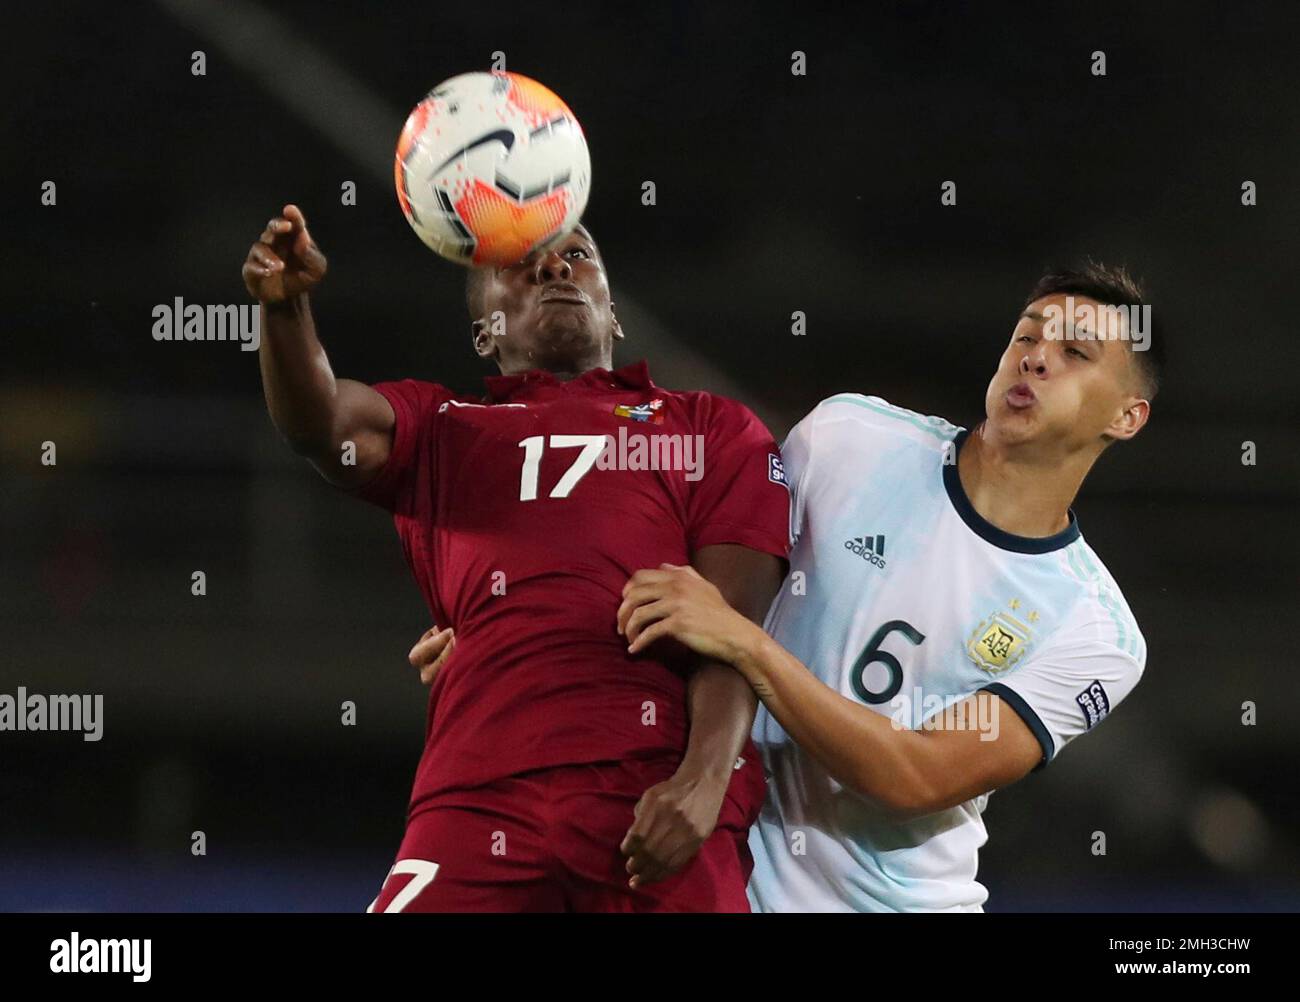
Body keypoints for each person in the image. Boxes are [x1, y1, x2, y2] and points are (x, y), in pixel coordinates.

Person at [241, 205, 788, 911]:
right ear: (482, 332)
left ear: (613, 315)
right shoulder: (440, 432)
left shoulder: (711, 428)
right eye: (522, 263)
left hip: (653, 790)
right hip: (475, 796)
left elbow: (736, 632)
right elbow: (319, 426)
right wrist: (286, 312)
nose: (555, 266)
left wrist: (704, 781)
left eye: (577, 255)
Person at [614, 263, 1160, 911]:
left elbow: (913, 775)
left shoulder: (1094, 631)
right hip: (720, 885)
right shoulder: (848, 439)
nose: (1037, 358)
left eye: (1075, 352)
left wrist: (747, 646)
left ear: (1127, 416)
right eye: (1027, 337)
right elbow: (700, 583)